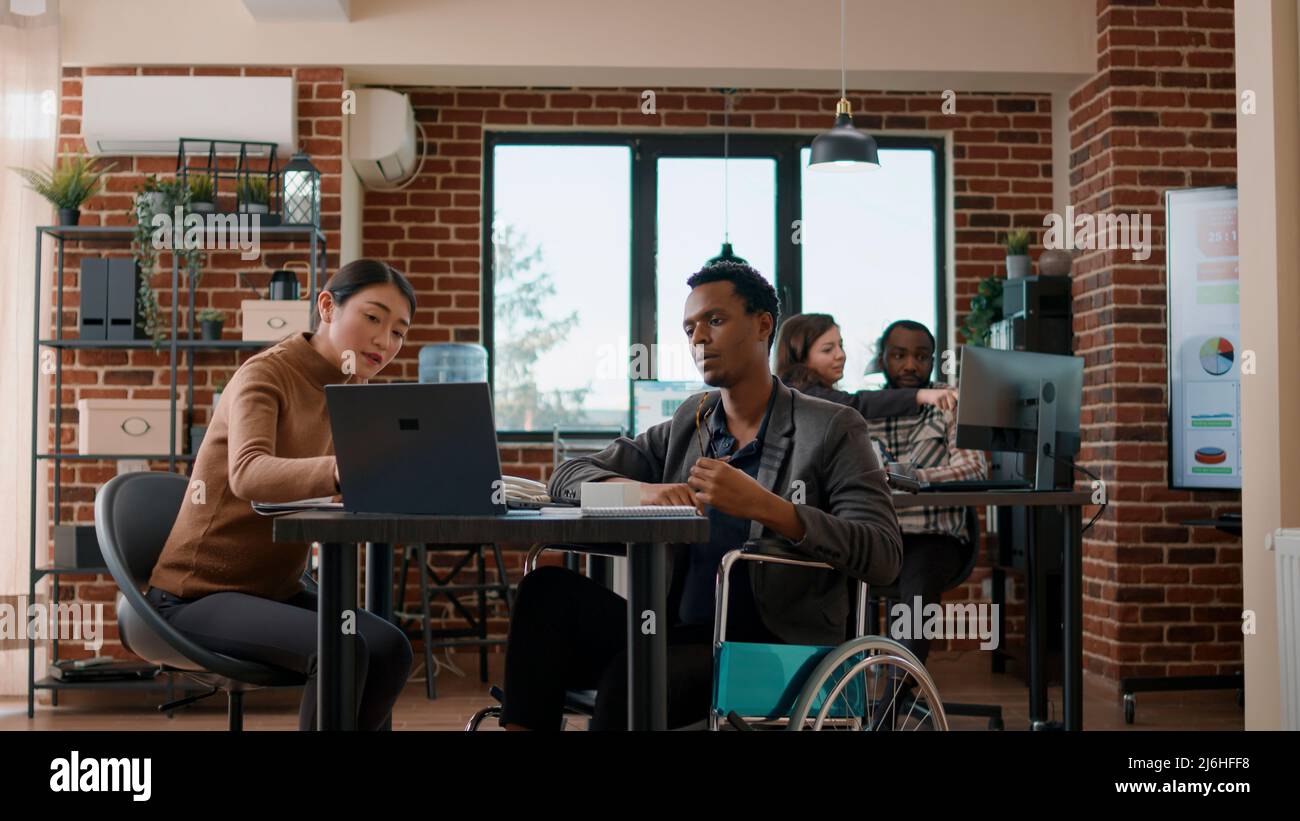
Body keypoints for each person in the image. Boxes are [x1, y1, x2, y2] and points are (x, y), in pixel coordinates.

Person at [499, 261, 904, 731]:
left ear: (762, 325)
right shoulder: (691, 421)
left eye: (714, 320)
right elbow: (567, 475)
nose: (698, 339)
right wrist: (640, 492)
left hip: (772, 649)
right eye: (690, 328)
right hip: (675, 631)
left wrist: (766, 507)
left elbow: (883, 554)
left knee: (632, 681)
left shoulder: (831, 426)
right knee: (546, 592)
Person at [145, 259, 416, 731]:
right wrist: (344, 470)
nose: (384, 341)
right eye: (373, 318)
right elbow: (248, 473)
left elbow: (359, 485)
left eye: (398, 332)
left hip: (276, 591)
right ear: (328, 307)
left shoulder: (355, 390)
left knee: (391, 648)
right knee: (342, 646)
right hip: (197, 595)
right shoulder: (266, 374)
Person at [865, 319, 988, 665]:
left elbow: (974, 468)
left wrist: (908, 476)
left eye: (921, 356)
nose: (910, 365)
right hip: (879, 534)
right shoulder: (864, 408)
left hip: (934, 535)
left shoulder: (950, 402)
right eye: (899, 355)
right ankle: (840, 699)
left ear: (933, 360)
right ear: (882, 358)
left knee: (916, 589)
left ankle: (893, 702)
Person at [775, 312, 956, 416]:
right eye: (828, 349)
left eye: (841, 345)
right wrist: (921, 395)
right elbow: (856, 404)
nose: (841, 355)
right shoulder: (798, 394)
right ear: (800, 355)